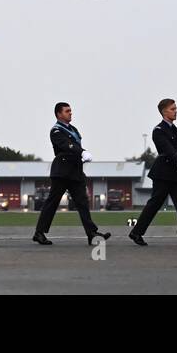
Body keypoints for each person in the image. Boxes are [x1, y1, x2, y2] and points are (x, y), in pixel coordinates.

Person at [34, 102, 111, 246]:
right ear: (59, 114)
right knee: (52, 202)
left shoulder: (73, 129)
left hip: (75, 170)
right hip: (62, 171)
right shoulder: (56, 131)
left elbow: (75, 146)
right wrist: (82, 152)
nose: (70, 113)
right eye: (67, 111)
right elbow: (66, 145)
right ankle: (39, 233)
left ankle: (91, 233)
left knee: (82, 202)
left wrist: (81, 155)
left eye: (70, 111)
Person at [129, 99, 177, 247]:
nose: (176, 111)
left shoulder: (174, 130)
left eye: (176, 108)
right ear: (164, 111)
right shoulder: (159, 130)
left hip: (175, 173)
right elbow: (167, 148)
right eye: (172, 109)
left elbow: (176, 150)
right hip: (163, 173)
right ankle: (136, 232)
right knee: (154, 204)